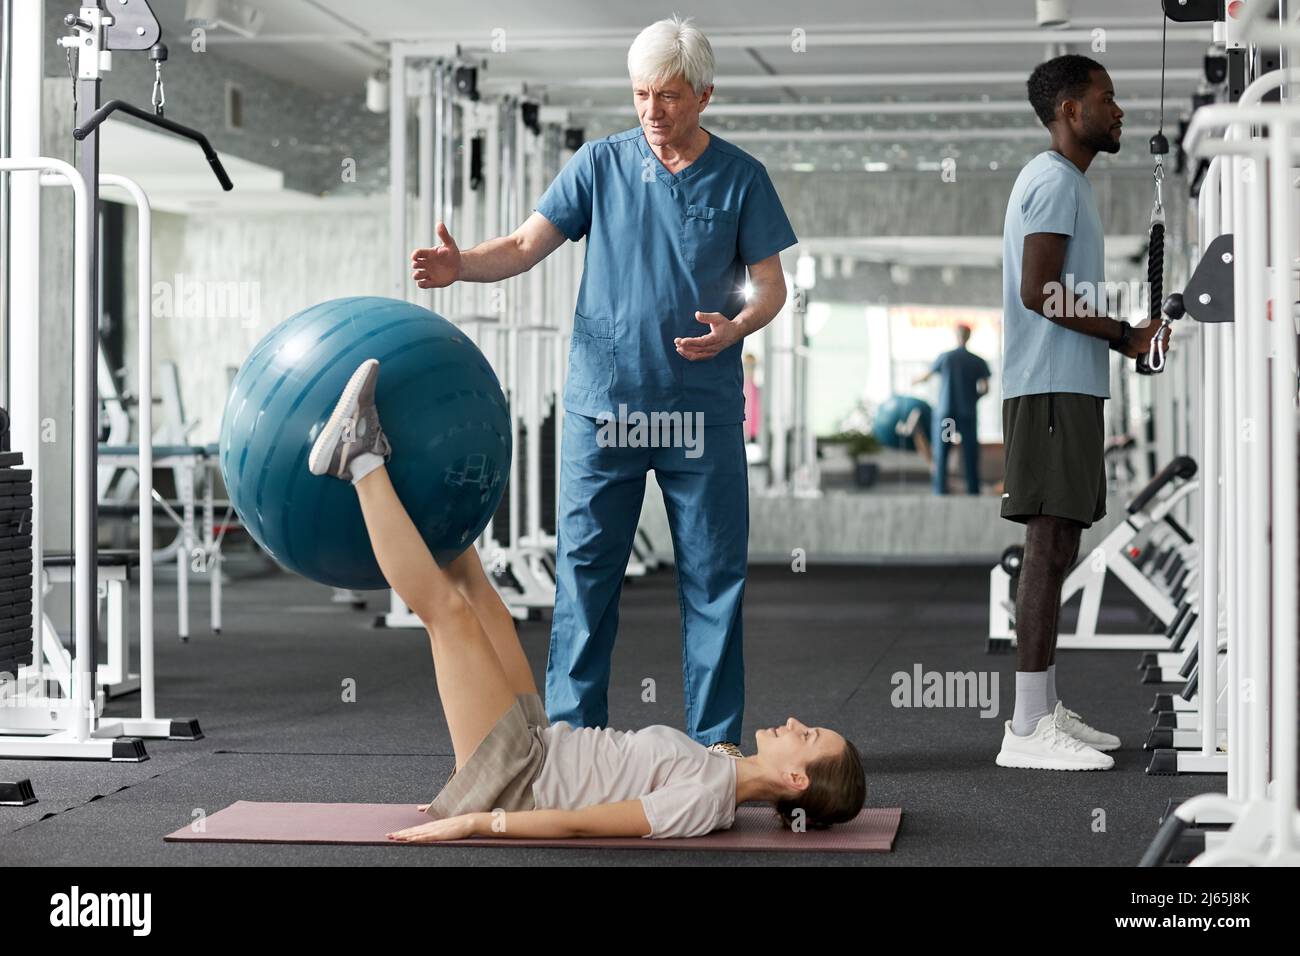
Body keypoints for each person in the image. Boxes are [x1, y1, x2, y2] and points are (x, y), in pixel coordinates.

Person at [410, 16, 797, 756]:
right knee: (586, 581)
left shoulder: (743, 178)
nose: (652, 111)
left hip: (700, 415)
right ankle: (572, 741)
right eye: (641, 94)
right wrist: (463, 268)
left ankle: (715, 748)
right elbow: (525, 245)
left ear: (705, 95)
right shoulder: (600, 165)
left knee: (714, 582)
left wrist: (735, 329)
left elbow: (772, 288)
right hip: (604, 408)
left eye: (670, 96)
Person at [306, 359, 865, 842]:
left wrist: (479, 819)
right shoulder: (723, 767)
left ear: (798, 780)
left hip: (522, 779)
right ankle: (412, 486)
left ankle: (358, 459)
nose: (796, 722)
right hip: (540, 746)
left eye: (808, 736)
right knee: (484, 602)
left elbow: (586, 824)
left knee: (449, 618)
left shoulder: (706, 801)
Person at [997, 54, 1168, 771]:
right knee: (1047, 545)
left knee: (1060, 544)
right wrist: (1127, 336)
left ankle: (1043, 706)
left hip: (1067, 386)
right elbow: (1041, 292)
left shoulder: (1065, 184)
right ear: (1071, 110)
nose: (1118, 109)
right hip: (1048, 388)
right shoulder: (1051, 182)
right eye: (1107, 98)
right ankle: (1027, 729)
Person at [913, 324, 991, 495]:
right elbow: (985, 388)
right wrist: (972, 398)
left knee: (942, 452)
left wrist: (914, 380)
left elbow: (926, 376)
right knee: (970, 453)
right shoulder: (977, 361)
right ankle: (973, 490)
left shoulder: (946, 358)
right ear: (969, 337)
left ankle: (940, 490)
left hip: (947, 415)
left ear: (956, 336)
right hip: (966, 414)